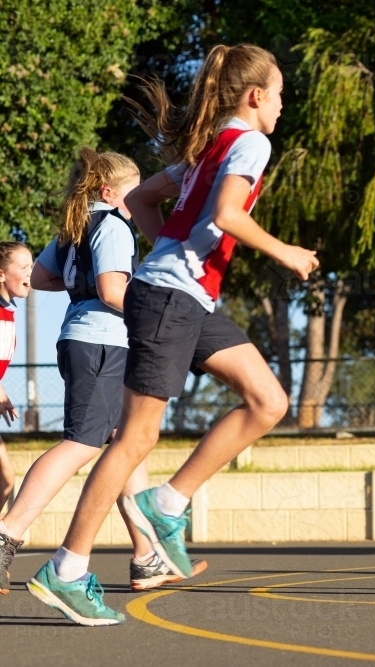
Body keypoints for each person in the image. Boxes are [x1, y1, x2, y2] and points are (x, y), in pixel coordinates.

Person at [27, 43, 318, 626]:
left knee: (268, 399)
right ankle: (66, 568)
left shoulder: (211, 146)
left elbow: (139, 198)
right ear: (256, 96)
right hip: (169, 299)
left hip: (186, 296)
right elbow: (228, 217)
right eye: (281, 94)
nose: (284, 106)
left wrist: (170, 250)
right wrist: (285, 251)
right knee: (133, 440)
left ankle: (168, 501)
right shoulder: (251, 143)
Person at [0, 149, 201, 598]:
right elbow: (113, 291)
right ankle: (7, 533)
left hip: (85, 339)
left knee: (126, 444)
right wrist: (156, 309)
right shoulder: (112, 225)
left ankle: (145, 555)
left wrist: (81, 285)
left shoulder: (76, 227)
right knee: (82, 442)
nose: (144, 195)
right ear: (109, 191)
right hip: (102, 344)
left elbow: (45, 277)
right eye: (136, 188)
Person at [0, 241, 32, 586]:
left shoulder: (8, 312)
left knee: (5, 479)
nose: (30, 273)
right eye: (22, 267)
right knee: (5, 477)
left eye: (32, 266)